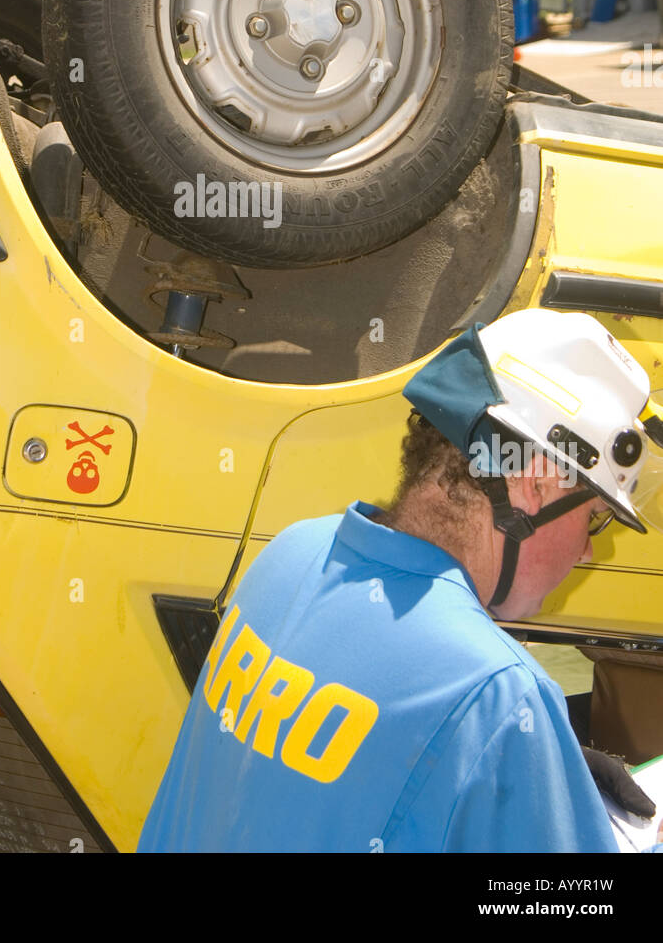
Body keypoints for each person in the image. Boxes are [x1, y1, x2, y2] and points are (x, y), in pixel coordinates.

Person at [138, 308, 663, 853]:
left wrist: (527, 778)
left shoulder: (293, 552)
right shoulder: (497, 695)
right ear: (535, 483)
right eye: (593, 516)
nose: (586, 549)